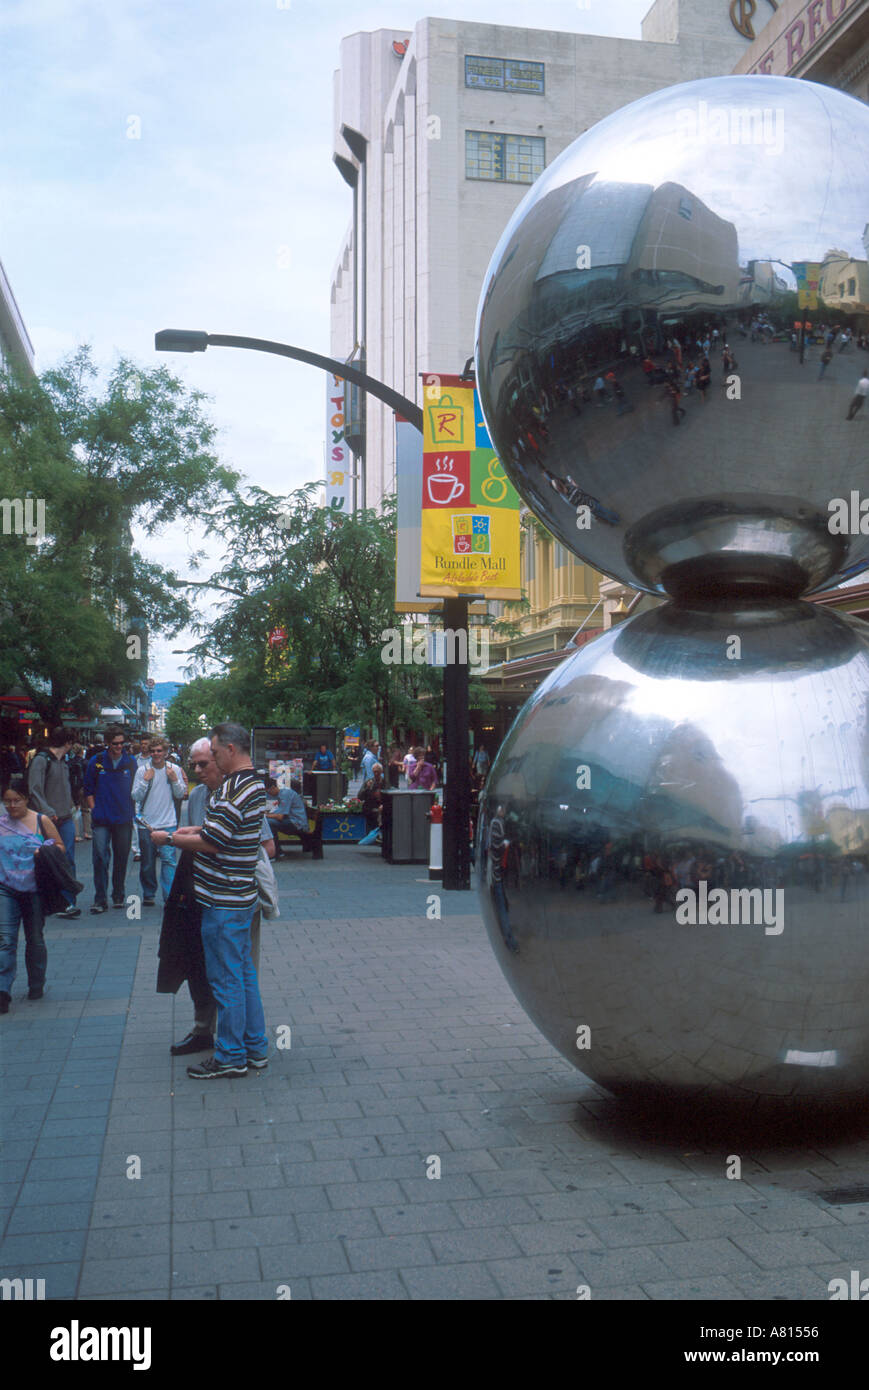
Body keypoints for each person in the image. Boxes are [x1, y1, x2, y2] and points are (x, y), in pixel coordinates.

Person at [161, 722, 268, 1079]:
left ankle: (230, 1056)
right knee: (243, 976)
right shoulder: (252, 783)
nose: (213, 759)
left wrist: (169, 839)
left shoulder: (235, 787)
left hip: (223, 899)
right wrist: (193, 830)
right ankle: (255, 1048)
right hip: (238, 896)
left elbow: (215, 842)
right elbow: (221, 832)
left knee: (226, 981)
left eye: (216, 752)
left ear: (231, 751)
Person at [0, 775, 65, 1012]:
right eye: (7, 801)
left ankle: (36, 984)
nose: (12, 806)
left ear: (26, 799)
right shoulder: (1, 823)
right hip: (5, 888)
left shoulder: (41, 820)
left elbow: (60, 847)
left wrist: (44, 849)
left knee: (34, 938)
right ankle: (3, 991)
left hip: (34, 888)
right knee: (5, 940)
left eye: (16, 800)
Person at [27, 727, 81, 919]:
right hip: (46, 820)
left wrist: (72, 806)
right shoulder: (42, 760)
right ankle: (47, 899)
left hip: (65, 817)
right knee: (46, 859)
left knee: (67, 858)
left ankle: (68, 901)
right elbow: (34, 789)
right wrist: (48, 812)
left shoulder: (63, 762)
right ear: (67, 743)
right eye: (72, 742)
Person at [84, 727, 137, 914]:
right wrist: (94, 808)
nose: (119, 747)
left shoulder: (130, 762)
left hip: (123, 818)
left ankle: (118, 895)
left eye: (122, 743)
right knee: (100, 857)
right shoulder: (96, 761)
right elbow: (88, 789)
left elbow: (137, 789)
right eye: (115, 743)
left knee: (121, 858)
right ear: (107, 743)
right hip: (101, 819)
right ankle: (100, 899)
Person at [132, 737, 184, 906]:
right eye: (153, 751)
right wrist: (145, 780)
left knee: (169, 861)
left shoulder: (174, 769)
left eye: (159, 751)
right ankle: (148, 893)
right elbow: (135, 796)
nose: (156, 754)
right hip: (146, 823)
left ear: (166, 752)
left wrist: (174, 779)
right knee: (147, 862)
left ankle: (169, 897)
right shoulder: (142, 771)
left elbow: (180, 794)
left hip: (168, 822)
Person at [265, 777, 316, 856]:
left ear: (273, 788)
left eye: (268, 792)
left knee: (269, 823)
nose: (269, 794)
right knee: (269, 821)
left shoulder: (285, 794)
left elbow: (280, 816)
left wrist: (266, 815)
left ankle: (277, 851)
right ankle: (276, 850)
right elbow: (279, 812)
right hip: (294, 821)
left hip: (298, 823)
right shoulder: (282, 793)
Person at [358, 763, 386, 845]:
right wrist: (367, 788)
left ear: (381, 772)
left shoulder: (385, 782)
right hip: (370, 806)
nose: (376, 774)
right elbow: (359, 796)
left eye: (378, 772)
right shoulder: (369, 782)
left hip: (381, 806)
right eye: (374, 772)